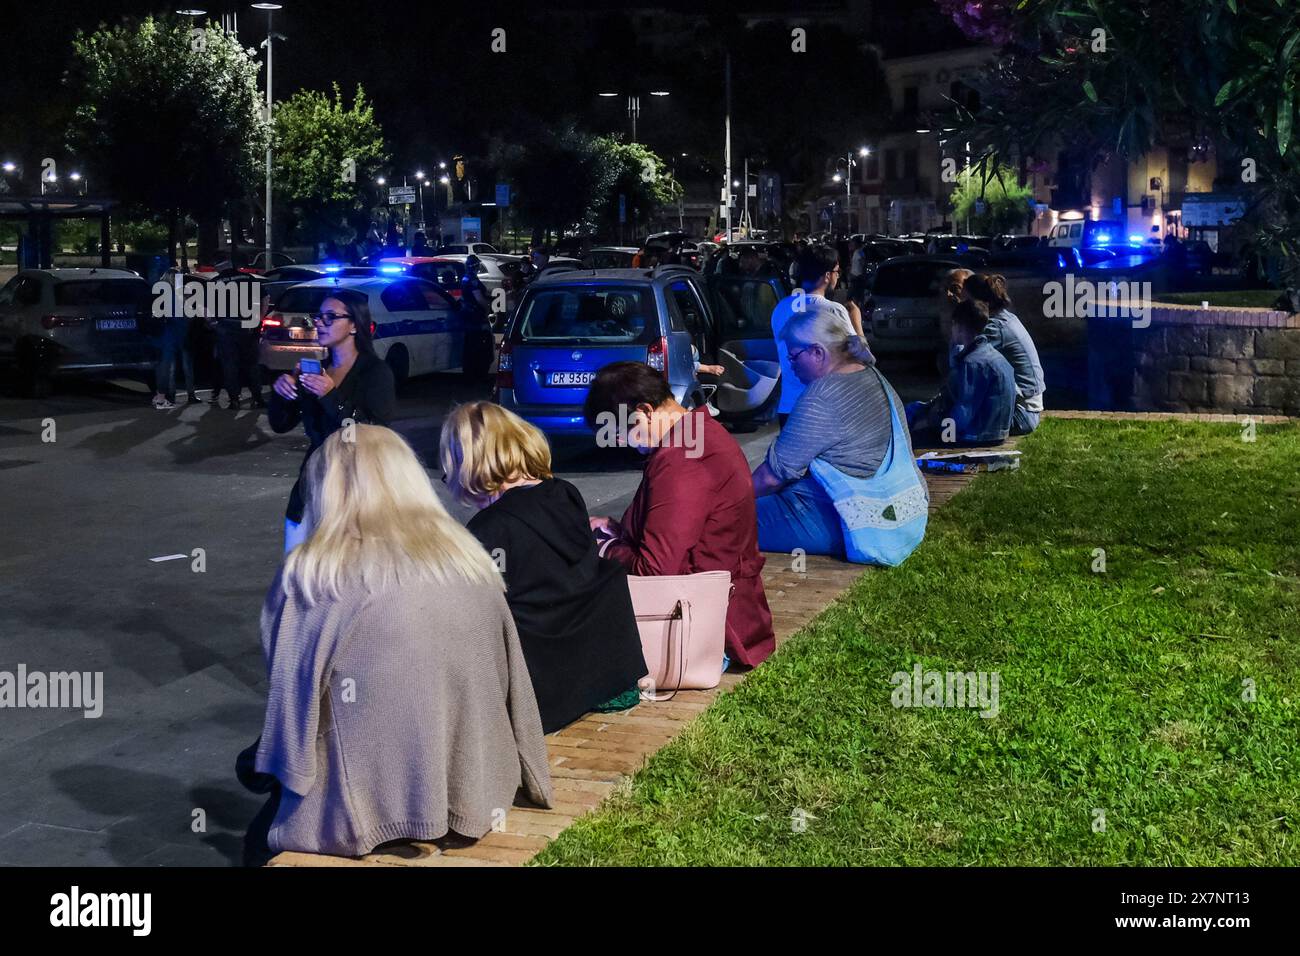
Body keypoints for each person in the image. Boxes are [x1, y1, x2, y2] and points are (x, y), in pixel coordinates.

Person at [239, 424, 552, 864]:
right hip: (477, 784)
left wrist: (267, 765)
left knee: (256, 841)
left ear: (325, 487)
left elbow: (292, 701)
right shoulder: (468, 557)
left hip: (363, 808)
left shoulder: (313, 576)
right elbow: (510, 676)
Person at [441, 402, 649, 732]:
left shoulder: (491, 528)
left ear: (470, 462)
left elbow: (470, 615)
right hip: (600, 668)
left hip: (543, 691)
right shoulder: (564, 493)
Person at [584, 361, 775, 671]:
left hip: (703, 629)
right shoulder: (698, 432)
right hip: (718, 612)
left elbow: (655, 570)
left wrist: (606, 548)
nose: (622, 442)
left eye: (622, 431)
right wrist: (619, 531)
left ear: (645, 411)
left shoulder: (682, 458)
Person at [751, 306, 925, 562]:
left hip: (843, 519)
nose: (791, 366)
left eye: (794, 357)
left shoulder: (822, 396)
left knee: (723, 521)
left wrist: (723, 499)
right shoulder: (873, 375)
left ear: (817, 352)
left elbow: (772, 477)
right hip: (903, 513)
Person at [268, 289, 396, 551]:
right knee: (297, 570)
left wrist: (330, 395)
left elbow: (374, 432)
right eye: (318, 317)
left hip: (355, 489)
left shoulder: (375, 372)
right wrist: (283, 392)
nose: (319, 323)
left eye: (330, 317)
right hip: (312, 484)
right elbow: (280, 424)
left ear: (353, 325)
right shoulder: (315, 369)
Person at [770, 244, 864, 427]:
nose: (838, 276)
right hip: (824, 408)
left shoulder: (780, 308)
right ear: (827, 276)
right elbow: (861, 357)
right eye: (837, 271)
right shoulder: (833, 310)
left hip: (789, 407)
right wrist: (856, 321)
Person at [906, 299, 1015, 447]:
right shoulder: (992, 355)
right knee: (914, 408)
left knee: (910, 433)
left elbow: (964, 412)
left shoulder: (973, 363)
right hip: (996, 430)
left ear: (959, 326)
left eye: (953, 325)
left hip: (978, 435)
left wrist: (936, 430)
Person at [963, 273, 1045, 435]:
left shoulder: (994, 328)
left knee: (950, 421)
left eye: (965, 300)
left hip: (1022, 415)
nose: (962, 305)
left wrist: (955, 317)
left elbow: (962, 358)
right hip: (1027, 410)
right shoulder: (1005, 318)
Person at [151, 270, 199, 409]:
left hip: (172, 335)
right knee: (182, 366)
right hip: (178, 334)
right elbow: (188, 315)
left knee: (171, 366)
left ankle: (170, 395)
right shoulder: (177, 294)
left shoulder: (162, 293)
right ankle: (186, 394)